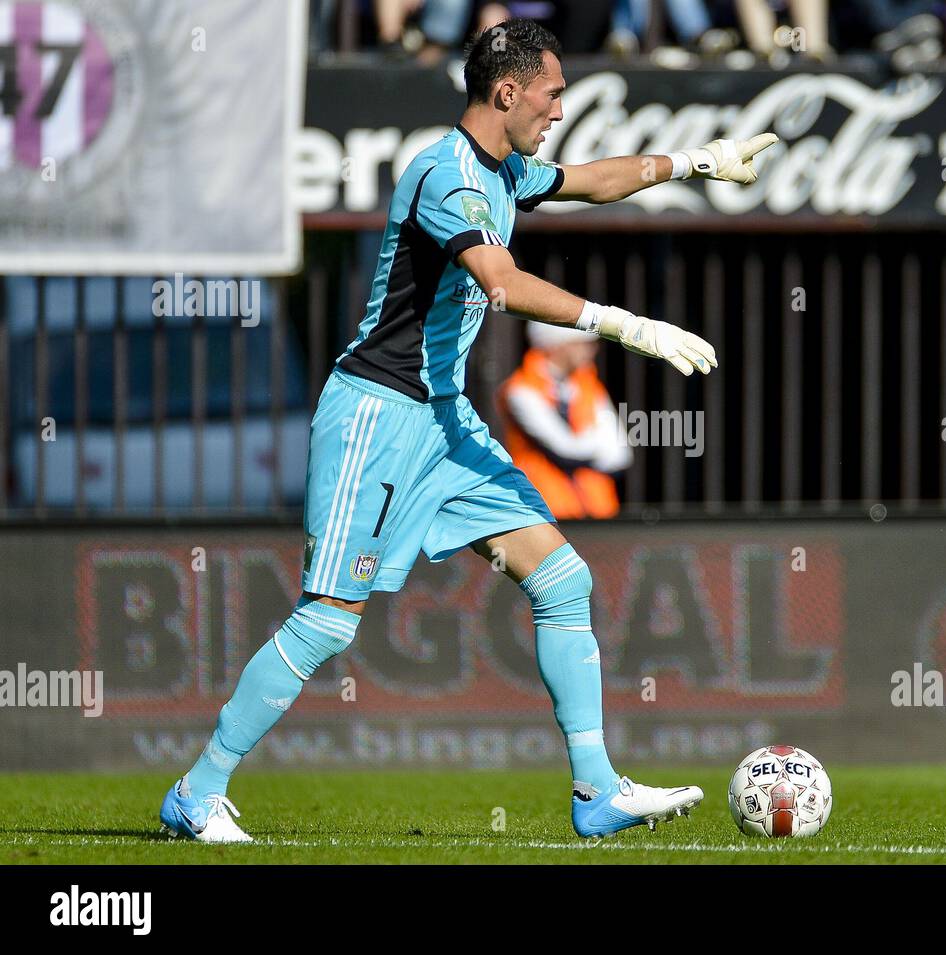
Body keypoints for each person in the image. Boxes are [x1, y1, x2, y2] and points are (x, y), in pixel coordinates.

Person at [160, 17, 778, 843]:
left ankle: (595, 791)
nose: (561, 109)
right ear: (509, 91)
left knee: (563, 581)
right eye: (554, 93)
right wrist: (624, 323)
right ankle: (197, 792)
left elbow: (594, 180)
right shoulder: (443, 174)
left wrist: (699, 161)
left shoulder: (506, 168)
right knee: (329, 620)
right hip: (376, 416)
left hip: (443, 420)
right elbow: (500, 280)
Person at [497, 321, 632, 520]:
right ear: (556, 345)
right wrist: (598, 444)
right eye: (582, 343)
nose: (592, 349)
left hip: (597, 513)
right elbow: (565, 449)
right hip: (545, 514)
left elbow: (620, 454)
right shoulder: (520, 391)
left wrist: (586, 446)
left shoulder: (590, 387)